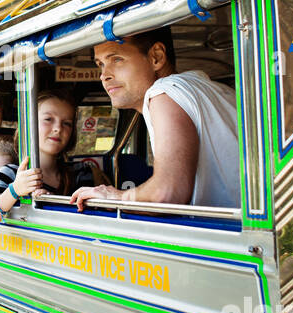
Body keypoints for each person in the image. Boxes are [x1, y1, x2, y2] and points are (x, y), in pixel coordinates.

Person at [70, 30, 240, 211]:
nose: (104, 75)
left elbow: (167, 193)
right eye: (101, 64)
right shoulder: (212, 88)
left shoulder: (163, 92)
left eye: (116, 59)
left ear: (156, 57)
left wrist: (116, 197)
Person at [0, 89, 105, 241]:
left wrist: (54, 204)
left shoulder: (81, 172)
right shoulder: (10, 174)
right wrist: (14, 191)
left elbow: (91, 223)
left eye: (66, 123)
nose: (58, 128)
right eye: (48, 119)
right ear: (29, 124)